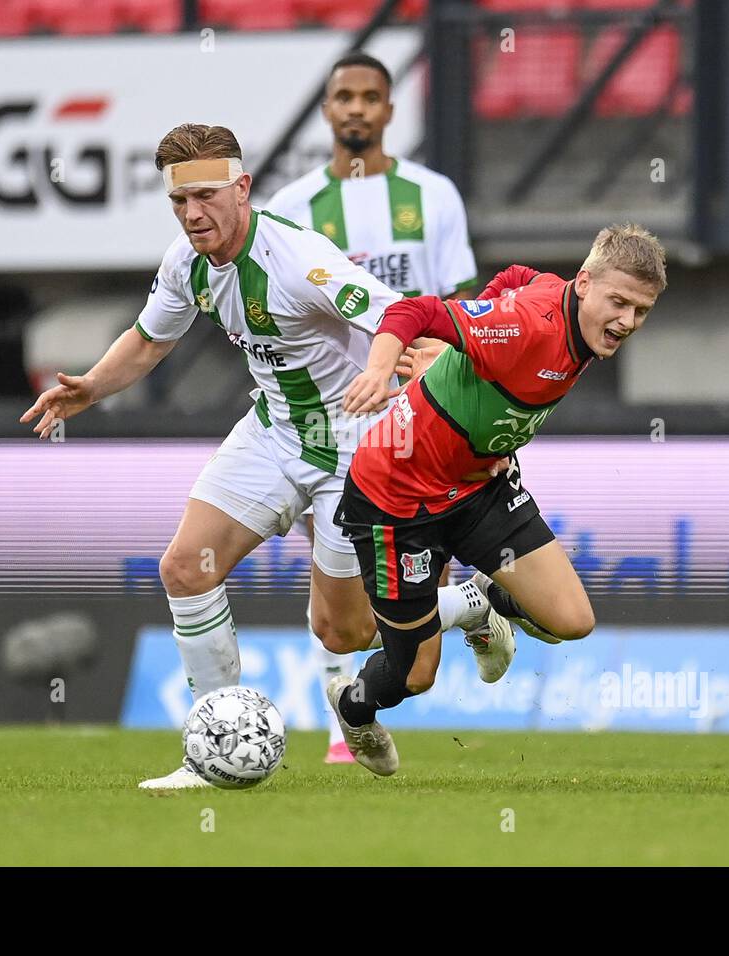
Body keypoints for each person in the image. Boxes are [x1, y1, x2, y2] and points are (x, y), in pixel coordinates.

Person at [19, 123, 511, 789]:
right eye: (179, 201)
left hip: (355, 446)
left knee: (343, 634)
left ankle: (471, 604)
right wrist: (91, 387)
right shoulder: (186, 262)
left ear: (242, 188)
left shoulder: (301, 260)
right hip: (274, 430)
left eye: (207, 196)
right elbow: (147, 339)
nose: (193, 214)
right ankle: (212, 753)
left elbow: (402, 316)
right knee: (186, 569)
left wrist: (417, 376)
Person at [326, 225, 668, 776]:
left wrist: (470, 350)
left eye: (641, 310)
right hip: (398, 500)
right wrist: (381, 367)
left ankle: (480, 598)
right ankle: (353, 707)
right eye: (619, 302)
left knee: (572, 620)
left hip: (479, 486)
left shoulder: (559, 302)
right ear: (584, 284)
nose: (627, 321)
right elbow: (412, 313)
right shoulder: (524, 327)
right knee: (414, 674)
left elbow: (514, 277)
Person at [266, 51, 484, 762]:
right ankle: (342, 724)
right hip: (331, 406)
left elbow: (461, 306)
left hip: (419, 413)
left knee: (418, 593)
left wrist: (458, 387)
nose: (357, 108)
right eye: (344, 97)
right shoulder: (294, 208)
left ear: (390, 111)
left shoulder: (434, 196)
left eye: (371, 97)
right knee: (328, 563)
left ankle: (464, 608)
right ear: (327, 111)